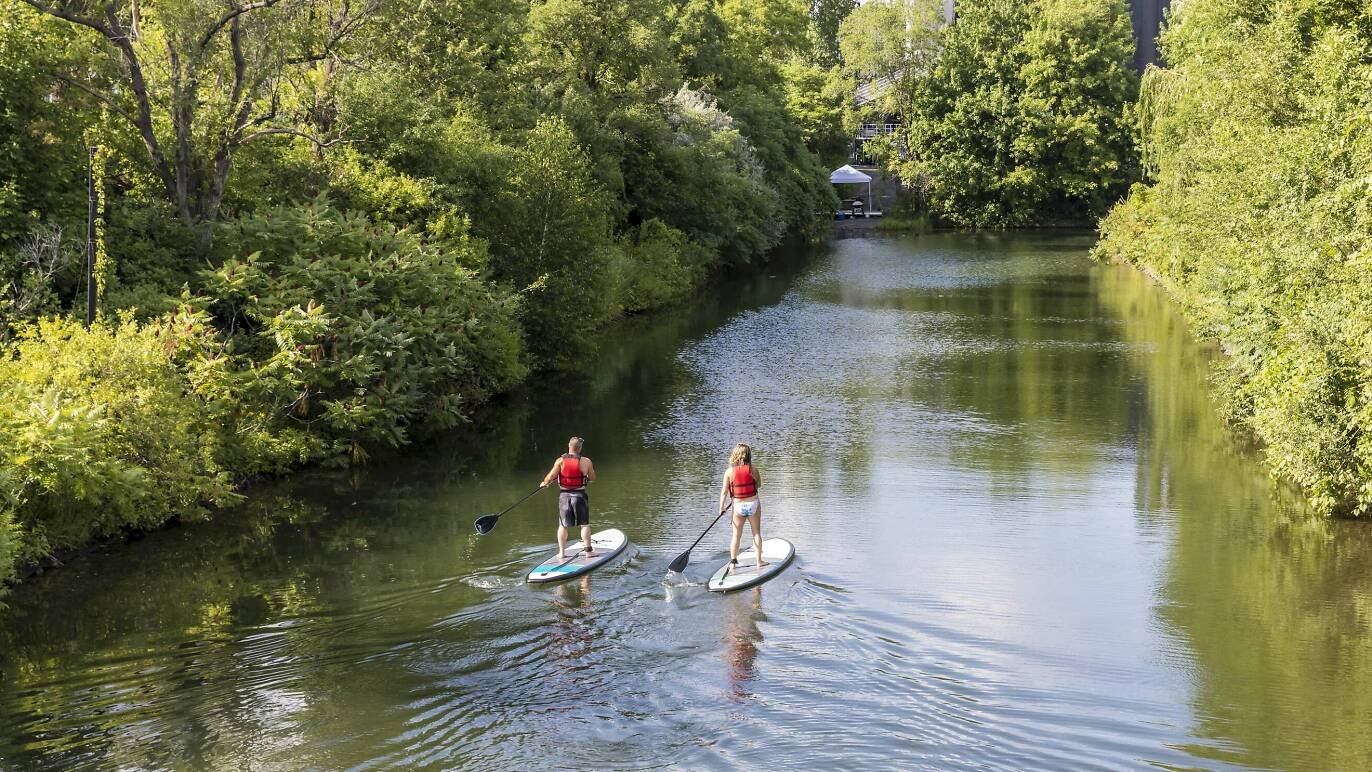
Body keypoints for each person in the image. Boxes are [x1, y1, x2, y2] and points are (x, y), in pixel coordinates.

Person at [541, 437, 596, 559]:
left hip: (564, 496)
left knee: (562, 525)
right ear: (580, 448)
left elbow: (550, 477)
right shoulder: (586, 461)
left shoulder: (560, 461)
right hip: (580, 495)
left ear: (569, 446)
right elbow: (592, 478)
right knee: (584, 524)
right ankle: (588, 552)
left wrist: (544, 483)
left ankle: (562, 553)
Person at [718, 443, 766, 570]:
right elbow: (758, 485)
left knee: (736, 535)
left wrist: (721, 508)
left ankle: (733, 562)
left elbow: (724, 491)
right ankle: (759, 561)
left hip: (738, 507)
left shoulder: (729, 472)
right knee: (756, 533)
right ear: (748, 455)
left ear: (735, 455)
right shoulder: (753, 469)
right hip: (753, 505)